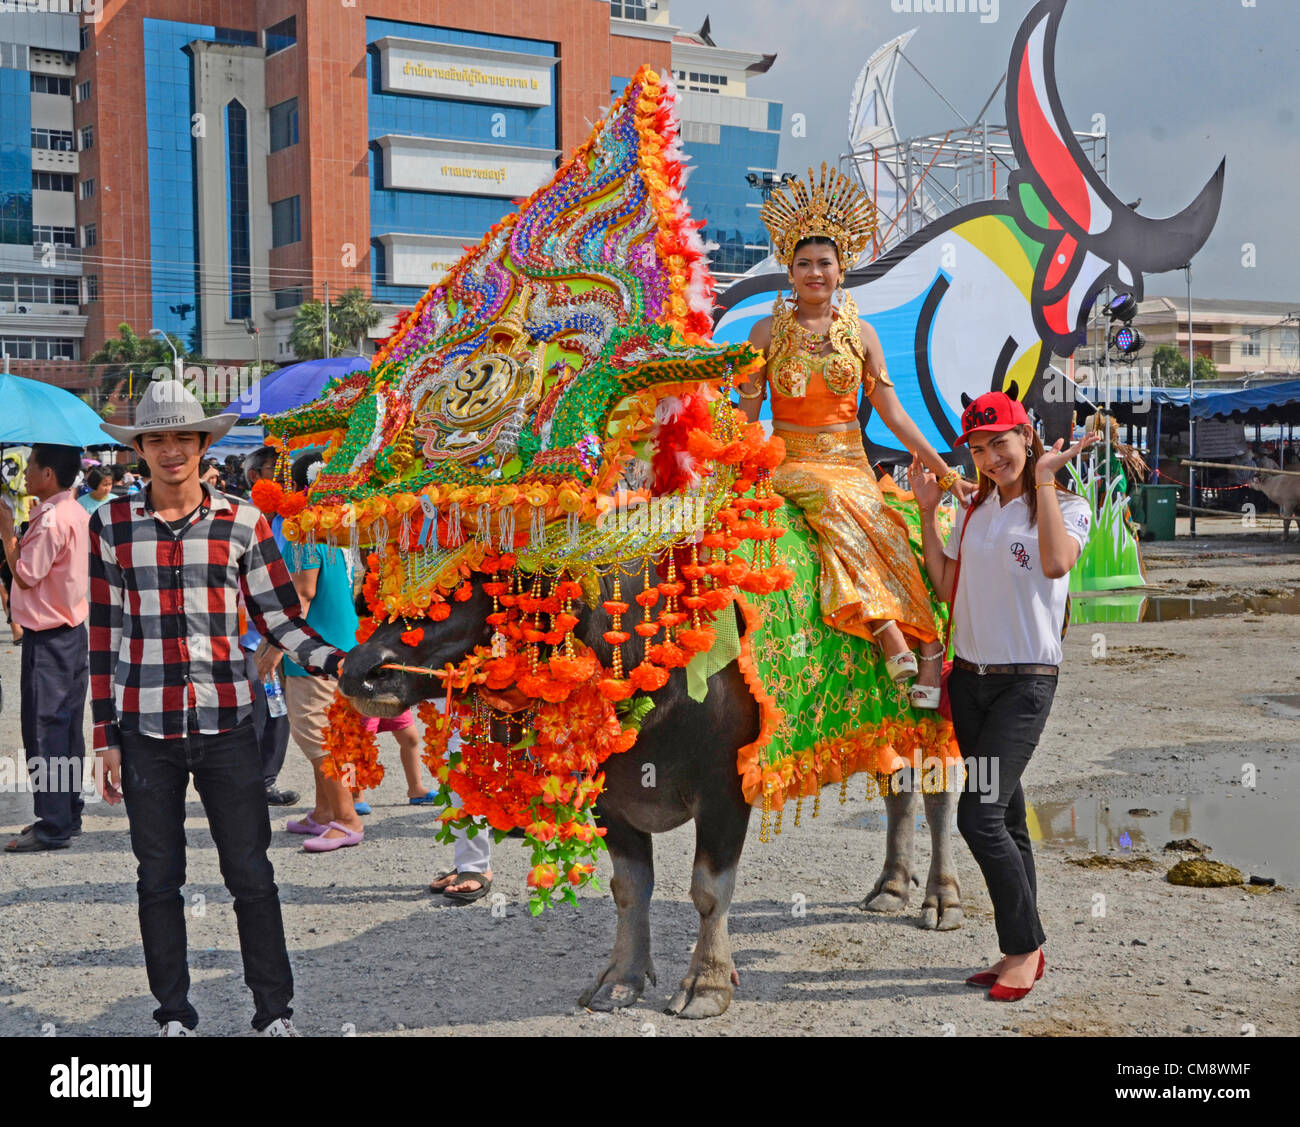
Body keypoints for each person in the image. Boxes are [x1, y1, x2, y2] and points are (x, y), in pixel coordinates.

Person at [90, 379, 347, 1036]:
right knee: (158, 879)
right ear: (140, 448)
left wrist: (337, 661)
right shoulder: (111, 523)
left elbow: (281, 619)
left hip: (230, 723)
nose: (170, 449)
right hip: (145, 730)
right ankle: (173, 1014)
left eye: (183, 436)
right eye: (156, 438)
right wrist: (105, 737)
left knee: (252, 874)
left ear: (203, 444)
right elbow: (102, 634)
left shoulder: (244, 521)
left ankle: (274, 1011)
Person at [739, 164, 976, 708]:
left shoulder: (862, 333)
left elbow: (891, 414)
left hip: (851, 462)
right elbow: (749, 416)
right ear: (789, 269)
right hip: (793, 463)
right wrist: (727, 471)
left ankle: (931, 648)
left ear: (842, 269)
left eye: (825, 263)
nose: (814, 273)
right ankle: (889, 631)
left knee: (891, 530)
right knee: (833, 501)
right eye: (804, 264)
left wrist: (943, 471)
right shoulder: (766, 332)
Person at [910, 391, 1097, 1001]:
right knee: (1009, 820)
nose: (992, 458)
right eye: (980, 449)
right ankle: (1025, 949)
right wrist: (928, 513)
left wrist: (1043, 482)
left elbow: (1052, 563)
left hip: (1024, 684)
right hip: (970, 682)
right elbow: (945, 585)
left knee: (979, 816)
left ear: (1028, 437)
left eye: (1002, 443)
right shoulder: (975, 513)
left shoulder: (1067, 506)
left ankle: (1023, 948)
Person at [266, 452, 365, 852]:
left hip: (313, 656)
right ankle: (325, 812)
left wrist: (276, 646)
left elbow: (302, 598)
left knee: (321, 738)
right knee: (326, 734)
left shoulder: (305, 534)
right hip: (339, 648)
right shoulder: (334, 528)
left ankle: (346, 818)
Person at [0, 444, 90, 852]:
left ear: (48, 474)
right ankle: (66, 813)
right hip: (70, 632)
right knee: (66, 729)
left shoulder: (52, 518)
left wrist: (6, 533)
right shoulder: (74, 511)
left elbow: (25, 577)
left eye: (32, 466)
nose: (26, 474)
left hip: (50, 636)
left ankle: (53, 824)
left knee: (46, 731)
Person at [239, 445, 296, 806]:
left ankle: (265, 780)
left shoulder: (291, 518)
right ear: (255, 477)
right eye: (277, 472)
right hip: (245, 633)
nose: (283, 479)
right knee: (254, 708)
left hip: (283, 632)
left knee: (278, 710)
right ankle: (243, 781)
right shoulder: (240, 516)